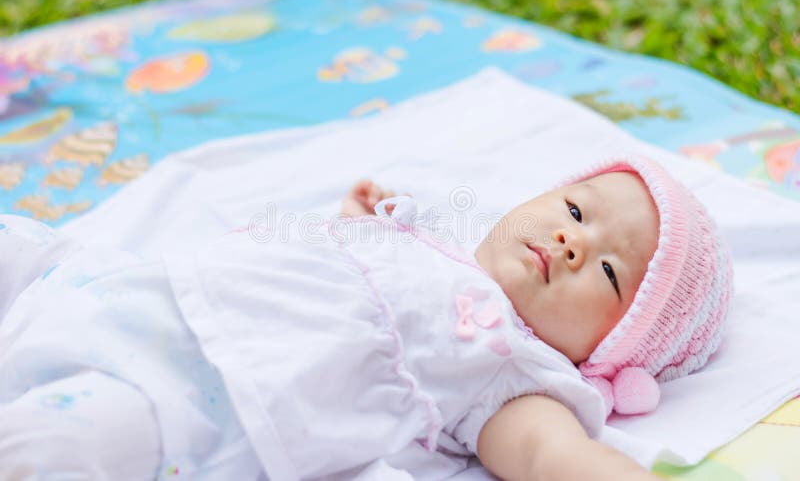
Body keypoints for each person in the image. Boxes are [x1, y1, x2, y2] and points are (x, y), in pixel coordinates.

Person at [0, 155, 732, 480]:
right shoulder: (428, 241)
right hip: (125, 288)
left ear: (614, 348)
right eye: (576, 210)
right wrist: (360, 225)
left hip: (186, 397)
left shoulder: (514, 374)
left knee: (62, 440)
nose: (575, 241)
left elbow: (550, 458)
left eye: (609, 273)